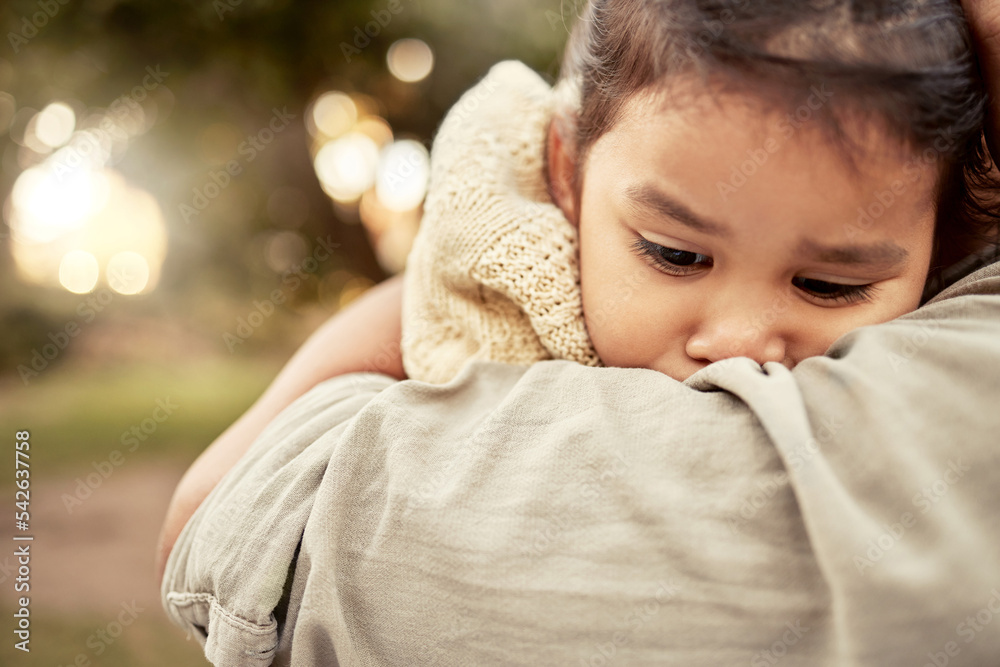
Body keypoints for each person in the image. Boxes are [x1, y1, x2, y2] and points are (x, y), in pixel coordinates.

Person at [157, 0, 1000, 664]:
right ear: (566, 172)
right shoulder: (487, 285)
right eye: (675, 254)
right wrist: (399, 312)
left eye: (829, 283)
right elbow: (203, 516)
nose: (739, 340)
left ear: (950, 242)